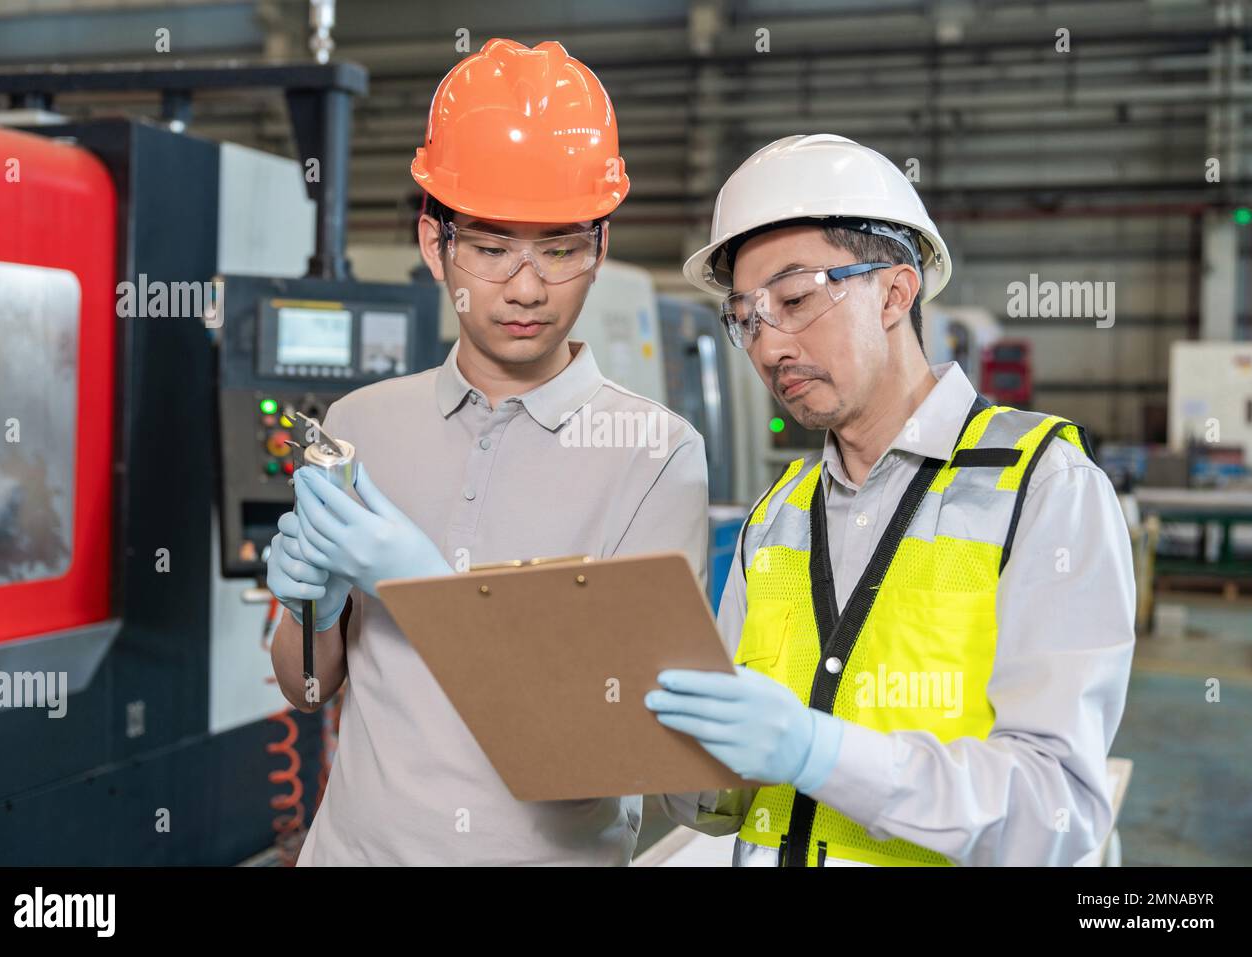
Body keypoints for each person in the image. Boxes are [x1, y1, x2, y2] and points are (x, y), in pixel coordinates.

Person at [266, 38, 708, 865]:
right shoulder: (362, 421)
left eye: (562, 246)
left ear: (601, 248)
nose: (529, 286)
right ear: (435, 244)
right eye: (493, 247)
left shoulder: (654, 456)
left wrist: (429, 586)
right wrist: (313, 609)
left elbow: (609, 753)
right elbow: (308, 688)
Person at [645, 134, 1136, 866]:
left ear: (896, 292)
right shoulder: (776, 516)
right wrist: (681, 760)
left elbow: (1053, 809)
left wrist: (817, 750)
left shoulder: (1042, 491)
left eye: (796, 298)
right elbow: (726, 807)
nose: (769, 345)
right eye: (745, 315)